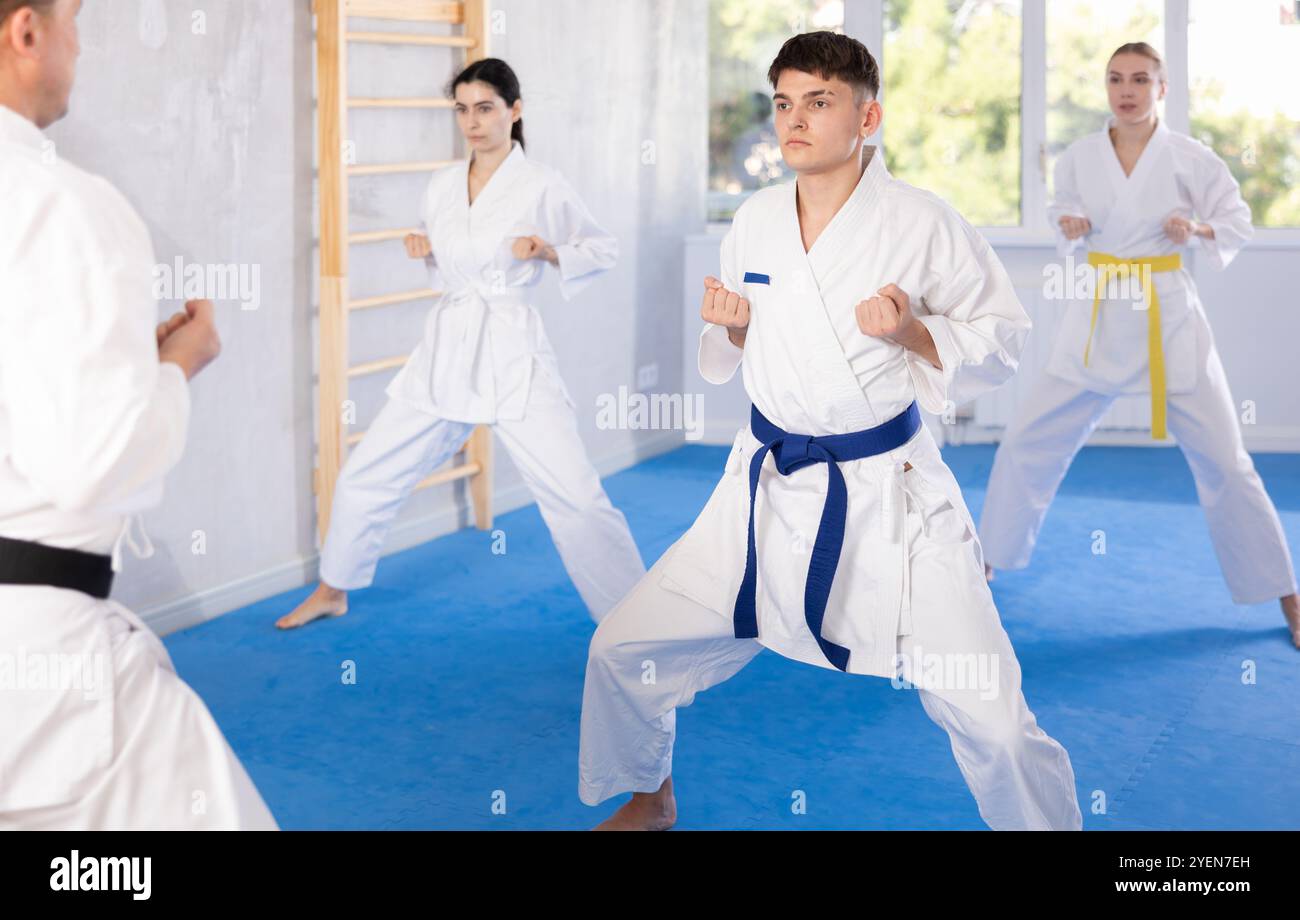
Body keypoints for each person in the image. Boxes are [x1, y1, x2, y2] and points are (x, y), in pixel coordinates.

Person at [578, 32, 1082, 831]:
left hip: (896, 501)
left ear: (867, 115)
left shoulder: (923, 222)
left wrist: (915, 333)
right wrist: (734, 328)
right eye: (784, 103)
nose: (795, 120)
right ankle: (650, 796)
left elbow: (1005, 337)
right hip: (766, 488)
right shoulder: (754, 219)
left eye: (819, 101)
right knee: (620, 649)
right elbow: (756, 348)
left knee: (994, 724)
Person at [0, 0, 276, 829]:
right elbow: (97, 459)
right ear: (26, 33)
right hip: (36, 656)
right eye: (76, 20)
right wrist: (176, 370)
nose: (80, 45)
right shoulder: (66, 204)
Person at [279, 58, 646, 629]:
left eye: (485, 108)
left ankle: (640, 626)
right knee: (366, 472)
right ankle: (333, 587)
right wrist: (426, 249)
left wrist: (548, 252)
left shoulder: (542, 184)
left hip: (510, 350)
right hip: (448, 350)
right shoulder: (442, 186)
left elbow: (602, 248)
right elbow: (456, 265)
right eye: (462, 109)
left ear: (514, 111)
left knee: (577, 498)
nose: (472, 122)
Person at [978, 42, 1299, 646]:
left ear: (1163, 88)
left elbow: (1236, 219)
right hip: (1100, 314)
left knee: (1227, 462)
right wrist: (1069, 225)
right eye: (1116, 79)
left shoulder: (1190, 157)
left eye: (1141, 80)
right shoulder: (1078, 156)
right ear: (1105, 87)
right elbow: (1063, 212)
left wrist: (1197, 228)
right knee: (1026, 439)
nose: (1127, 90)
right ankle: (985, 563)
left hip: (1167, 316)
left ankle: (1287, 593)